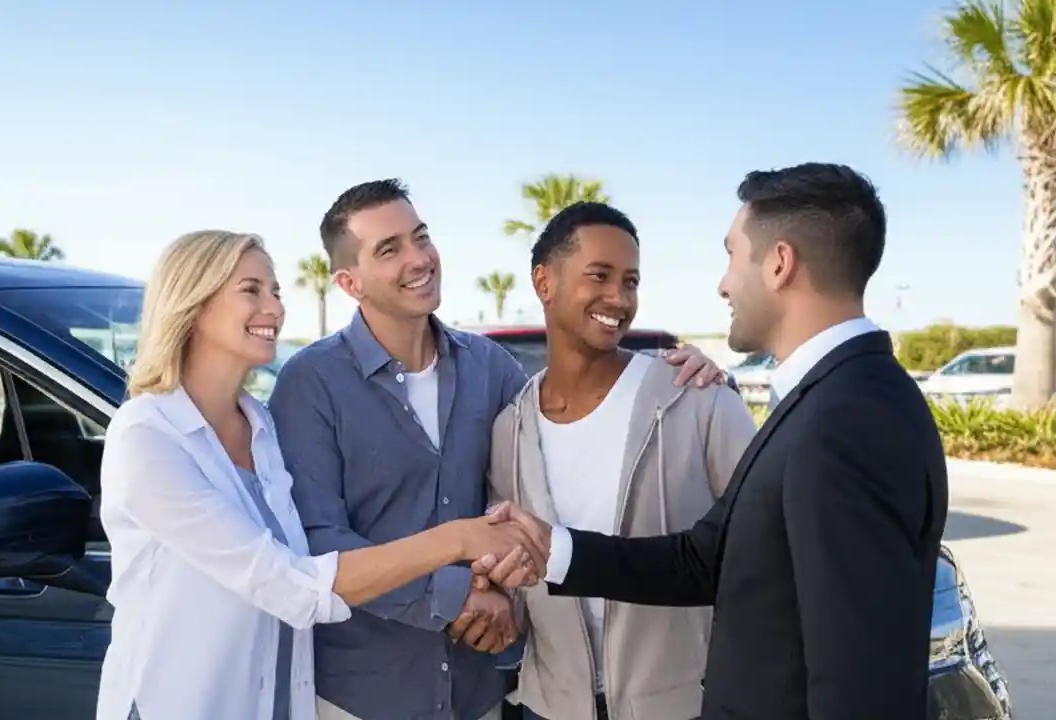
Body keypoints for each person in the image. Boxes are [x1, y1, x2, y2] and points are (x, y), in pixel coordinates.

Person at [476, 163, 949, 720]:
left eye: (732, 255)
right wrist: (555, 549)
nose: (724, 283)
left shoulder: (850, 419)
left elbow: (861, 680)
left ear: (779, 264)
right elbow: (707, 559)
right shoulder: (827, 401)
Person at [267, 179, 727, 720]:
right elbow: (320, 543)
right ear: (349, 281)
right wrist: (458, 593)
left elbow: (533, 472)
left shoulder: (492, 368)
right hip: (364, 697)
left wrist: (681, 368)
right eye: (389, 250)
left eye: (421, 237)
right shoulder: (310, 381)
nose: (419, 259)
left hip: (481, 691)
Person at [95, 230, 547, 720]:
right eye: (251, 290)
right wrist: (459, 540)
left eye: (276, 291)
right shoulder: (147, 436)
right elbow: (288, 582)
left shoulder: (261, 426)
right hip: (181, 705)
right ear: (193, 303)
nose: (274, 308)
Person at [483, 201, 758, 720]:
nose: (619, 298)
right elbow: (515, 573)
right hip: (549, 707)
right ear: (544, 282)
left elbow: (764, 553)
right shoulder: (509, 431)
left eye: (630, 281)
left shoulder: (697, 400)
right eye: (599, 276)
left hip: (681, 706)